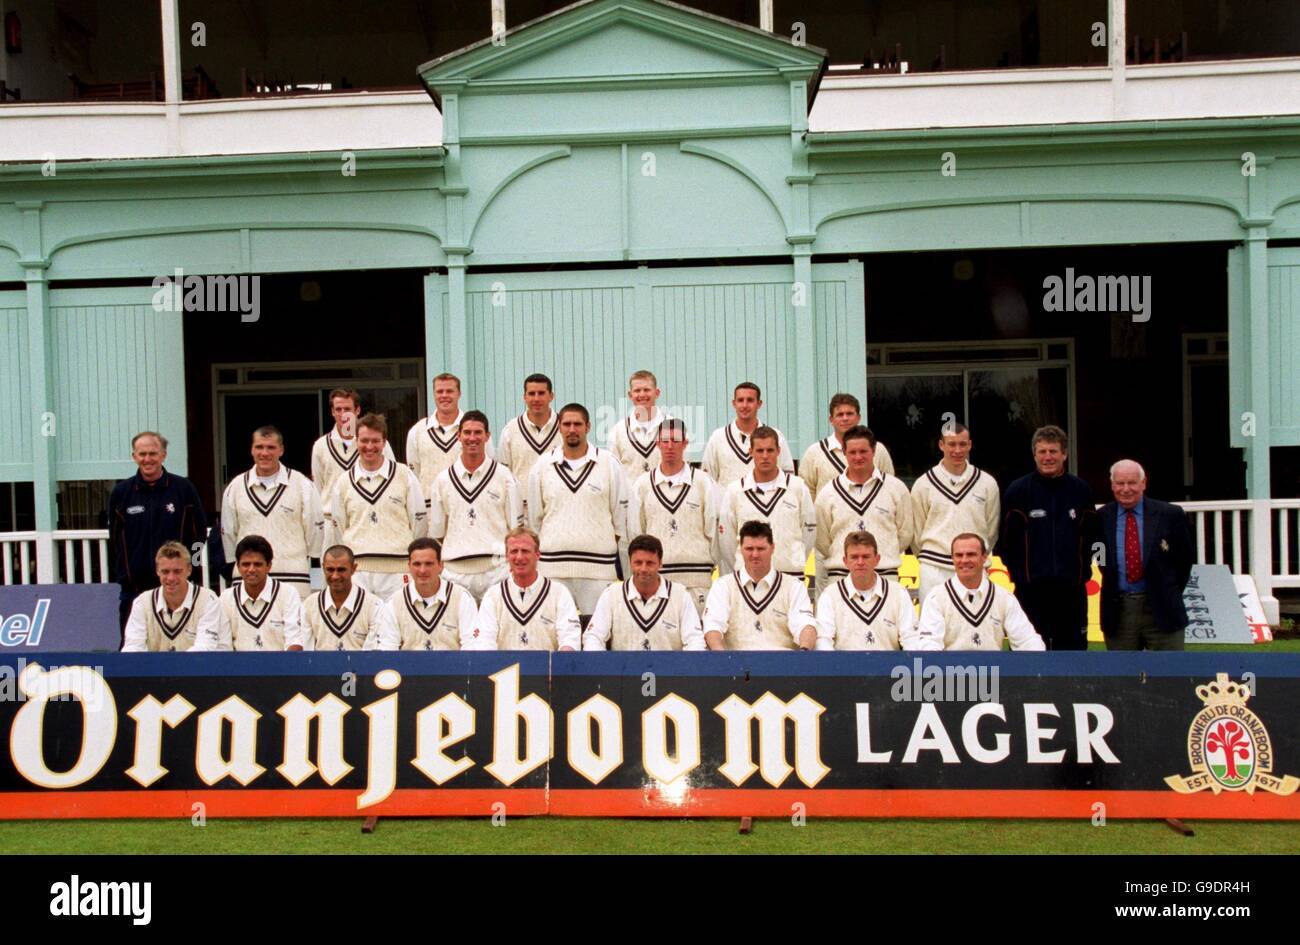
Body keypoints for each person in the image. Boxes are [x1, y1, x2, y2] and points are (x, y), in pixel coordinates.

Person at [998, 425, 1100, 650]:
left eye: (1053, 451)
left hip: (1071, 592)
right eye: (1042, 451)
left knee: (1072, 657)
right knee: (1028, 656)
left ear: (1064, 454)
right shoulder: (1017, 491)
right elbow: (1005, 543)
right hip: (1030, 592)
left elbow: (1093, 537)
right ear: (1034, 454)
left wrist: (1078, 571)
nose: (1048, 457)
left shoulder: (1081, 490)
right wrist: (1022, 575)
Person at [526, 403, 630, 617]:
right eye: (567, 424)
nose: (572, 429)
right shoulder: (543, 465)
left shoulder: (609, 463)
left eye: (577, 424)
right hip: (553, 568)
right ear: (559, 428)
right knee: (554, 637)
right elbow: (535, 518)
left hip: (598, 570)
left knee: (598, 638)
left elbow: (620, 517)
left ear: (588, 427)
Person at [107, 431, 208, 632]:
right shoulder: (121, 493)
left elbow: (199, 536)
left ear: (163, 455)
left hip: (176, 585)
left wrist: (192, 569)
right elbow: (116, 541)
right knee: (133, 649)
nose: (147, 459)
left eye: (153, 453)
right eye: (142, 454)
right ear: (134, 456)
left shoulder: (184, 489)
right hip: (134, 590)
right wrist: (126, 573)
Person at [323, 413, 426, 599]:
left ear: (384, 442)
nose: (369, 446)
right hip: (358, 571)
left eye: (375, 441)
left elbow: (418, 522)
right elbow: (338, 527)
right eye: (364, 440)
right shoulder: (344, 481)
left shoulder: (404, 475)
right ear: (356, 441)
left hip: (397, 570)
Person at [1099, 459, 1194, 651]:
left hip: (1162, 608)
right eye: (1120, 483)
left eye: (1132, 482)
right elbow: (1100, 557)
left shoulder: (1170, 514)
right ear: (1112, 485)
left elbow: (1184, 562)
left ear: (1143, 483)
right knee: (1123, 677)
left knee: (1169, 675)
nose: (1126, 489)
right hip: (1119, 611)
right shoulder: (1101, 517)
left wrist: (1166, 589)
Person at [427, 410, 523, 601]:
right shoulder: (443, 480)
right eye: (467, 433)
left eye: (478, 432)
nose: (472, 438)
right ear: (458, 436)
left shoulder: (504, 476)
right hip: (455, 572)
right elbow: (438, 531)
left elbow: (515, 528)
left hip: (496, 570)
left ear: (487, 436)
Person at [220, 425, 323, 599]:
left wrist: (312, 566)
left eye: (271, 447)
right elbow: (229, 533)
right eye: (259, 447)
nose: (265, 453)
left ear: (281, 450)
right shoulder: (235, 487)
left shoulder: (302, 485)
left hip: (293, 579)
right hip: (248, 580)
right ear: (252, 450)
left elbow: (314, 532)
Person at [629, 419, 720, 613]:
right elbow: (637, 534)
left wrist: (708, 565)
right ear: (657, 443)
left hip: (697, 581)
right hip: (656, 581)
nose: (670, 446)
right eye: (665, 440)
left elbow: (714, 532)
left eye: (676, 440)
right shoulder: (642, 485)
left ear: (685, 443)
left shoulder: (704, 483)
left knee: (698, 640)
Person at [910, 422, 1000, 599]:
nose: (957, 450)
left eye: (962, 444)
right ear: (941, 445)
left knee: (976, 623)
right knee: (934, 625)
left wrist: (974, 555)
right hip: (934, 569)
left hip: (975, 568)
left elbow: (992, 529)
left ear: (970, 445)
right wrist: (933, 555)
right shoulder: (924, 484)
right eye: (951, 444)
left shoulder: (987, 483)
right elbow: (916, 531)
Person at [913, 533, 1044, 651]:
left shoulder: (1004, 598)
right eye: (959, 555)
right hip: (952, 674)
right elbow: (929, 646)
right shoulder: (937, 598)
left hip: (994, 673)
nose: (964, 560)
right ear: (952, 558)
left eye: (971, 554)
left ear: (984, 558)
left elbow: (1028, 640)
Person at [815, 425, 912, 584]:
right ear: (844, 453)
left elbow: (905, 533)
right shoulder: (828, 493)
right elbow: (822, 541)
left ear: (874, 451)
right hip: (841, 577)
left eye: (863, 451)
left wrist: (883, 554)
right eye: (852, 452)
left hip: (886, 575)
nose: (858, 457)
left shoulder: (896, 488)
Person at [701, 521, 816, 651]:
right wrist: (724, 663)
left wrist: (803, 657)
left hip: (783, 666)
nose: (755, 554)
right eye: (749, 549)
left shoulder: (794, 586)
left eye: (761, 549)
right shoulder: (723, 586)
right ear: (740, 549)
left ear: (772, 548)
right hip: (736, 666)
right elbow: (712, 627)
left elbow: (805, 625)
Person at [718, 426, 815, 580]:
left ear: (778, 451)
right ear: (750, 452)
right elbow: (727, 542)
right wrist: (746, 566)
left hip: (790, 578)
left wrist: (793, 561)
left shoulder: (797, 488)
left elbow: (808, 535)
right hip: (749, 580)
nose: (765, 456)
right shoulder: (735, 491)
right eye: (759, 451)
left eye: (770, 450)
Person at [583, 534, 705, 651]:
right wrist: (604, 669)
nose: (643, 569)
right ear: (630, 562)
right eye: (638, 563)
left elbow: (694, 639)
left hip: (670, 671)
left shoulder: (680, 595)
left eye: (650, 563)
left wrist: (685, 670)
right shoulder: (612, 594)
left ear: (660, 563)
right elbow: (593, 637)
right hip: (623, 670)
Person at [193, 535, 307, 651]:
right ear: (237, 566)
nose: (251, 569)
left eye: (258, 564)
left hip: (281, 666)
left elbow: (295, 641)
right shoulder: (226, 598)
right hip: (238, 667)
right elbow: (223, 646)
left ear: (269, 566)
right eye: (246, 564)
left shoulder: (287, 593)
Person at [477, 527, 582, 651]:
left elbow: (569, 638)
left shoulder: (559, 593)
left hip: (548, 668)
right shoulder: (493, 595)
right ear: (506, 555)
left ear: (538, 554)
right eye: (514, 551)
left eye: (525, 551)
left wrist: (562, 662)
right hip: (505, 669)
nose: (519, 557)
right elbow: (485, 642)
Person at [368, 538, 480, 651]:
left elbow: (471, 647)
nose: (422, 570)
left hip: (453, 667)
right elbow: (388, 649)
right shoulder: (395, 602)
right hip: (408, 667)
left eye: (428, 564)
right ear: (409, 566)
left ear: (441, 565)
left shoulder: (461, 598)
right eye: (417, 564)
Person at [814, 532, 917, 650]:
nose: (860, 562)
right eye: (854, 557)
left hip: (890, 667)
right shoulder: (830, 595)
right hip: (844, 667)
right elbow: (823, 641)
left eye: (866, 556)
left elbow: (911, 639)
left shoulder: (898, 593)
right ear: (845, 561)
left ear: (877, 559)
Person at [121, 541, 220, 652]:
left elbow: (205, 648)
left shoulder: (208, 600)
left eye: (177, 571)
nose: (171, 578)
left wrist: (174, 666)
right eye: (165, 572)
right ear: (157, 571)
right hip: (153, 668)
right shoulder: (142, 602)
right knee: (100, 668)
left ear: (189, 570)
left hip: (195, 668)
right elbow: (133, 648)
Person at [405, 372, 491, 501]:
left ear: (459, 394)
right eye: (440, 391)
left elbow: (487, 466)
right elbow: (414, 474)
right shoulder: (417, 431)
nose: (444, 396)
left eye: (450, 391)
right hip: (430, 508)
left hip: (467, 505)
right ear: (434, 394)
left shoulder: (476, 430)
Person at [800, 393, 895, 498]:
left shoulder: (878, 449)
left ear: (858, 417)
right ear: (831, 419)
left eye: (849, 413)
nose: (845, 418)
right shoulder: (814, 452)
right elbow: (807, 493)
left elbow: (890, 486)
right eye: (840, 414)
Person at [701, 382, 794, 487]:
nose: (745, 405)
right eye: (740, 400)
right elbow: (706, 480)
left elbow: (787, 477)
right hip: (728, 502)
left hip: (765, 502)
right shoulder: (718, 437)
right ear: (734, 403)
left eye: (750, 400)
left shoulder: (776, 436)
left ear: (759, 404)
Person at [302, 544, 393, 651]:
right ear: (323, 568)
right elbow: (306, 653)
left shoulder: (373, 605)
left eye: (341, 570)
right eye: (330, 570)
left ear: (353, 569)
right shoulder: (309, 604)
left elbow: (371, 656)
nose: (335, 576)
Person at [311, 388, 394, 496]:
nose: (343, 414)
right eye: (338, 409)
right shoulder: (320, 446)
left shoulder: (377, 444)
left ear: (357, 410)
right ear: (332, 412)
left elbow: (392, 477)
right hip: (330, 512)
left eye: (347, 409)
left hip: (365, 510)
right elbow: (318, 488)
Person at [497, 373, 559, 488]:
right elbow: (503, 474)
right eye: (531, 394)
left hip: (557, 503)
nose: (536, 398)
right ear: (524, 397)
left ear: (551, 396)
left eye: (541, 393)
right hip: (523, 504)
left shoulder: (566, 427)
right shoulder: (510, 429)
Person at [607, 369, 671, 480]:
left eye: (647, 390)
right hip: (631, 496)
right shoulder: (618, 431)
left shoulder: (674, 426)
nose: (642, 394)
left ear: (657, 393)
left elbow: (683, 467)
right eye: (637, 390)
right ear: (630, 395)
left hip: (666, 496)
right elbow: (613, 474)